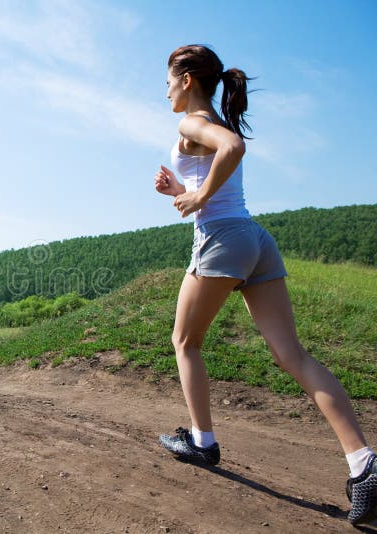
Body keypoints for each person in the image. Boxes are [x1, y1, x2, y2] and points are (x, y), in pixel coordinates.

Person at [152, 44, 376, 526]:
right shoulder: (216, 122)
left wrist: (198, 196)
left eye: (168, 79)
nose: (165, 89)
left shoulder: (191, 121)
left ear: (187, 80)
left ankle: (202, 443)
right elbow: (223, 161)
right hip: (255, 238)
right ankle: (365, 466)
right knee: (293, 355)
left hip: (225, 240)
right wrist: (182, 190)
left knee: (184, 341)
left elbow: (234, 151)